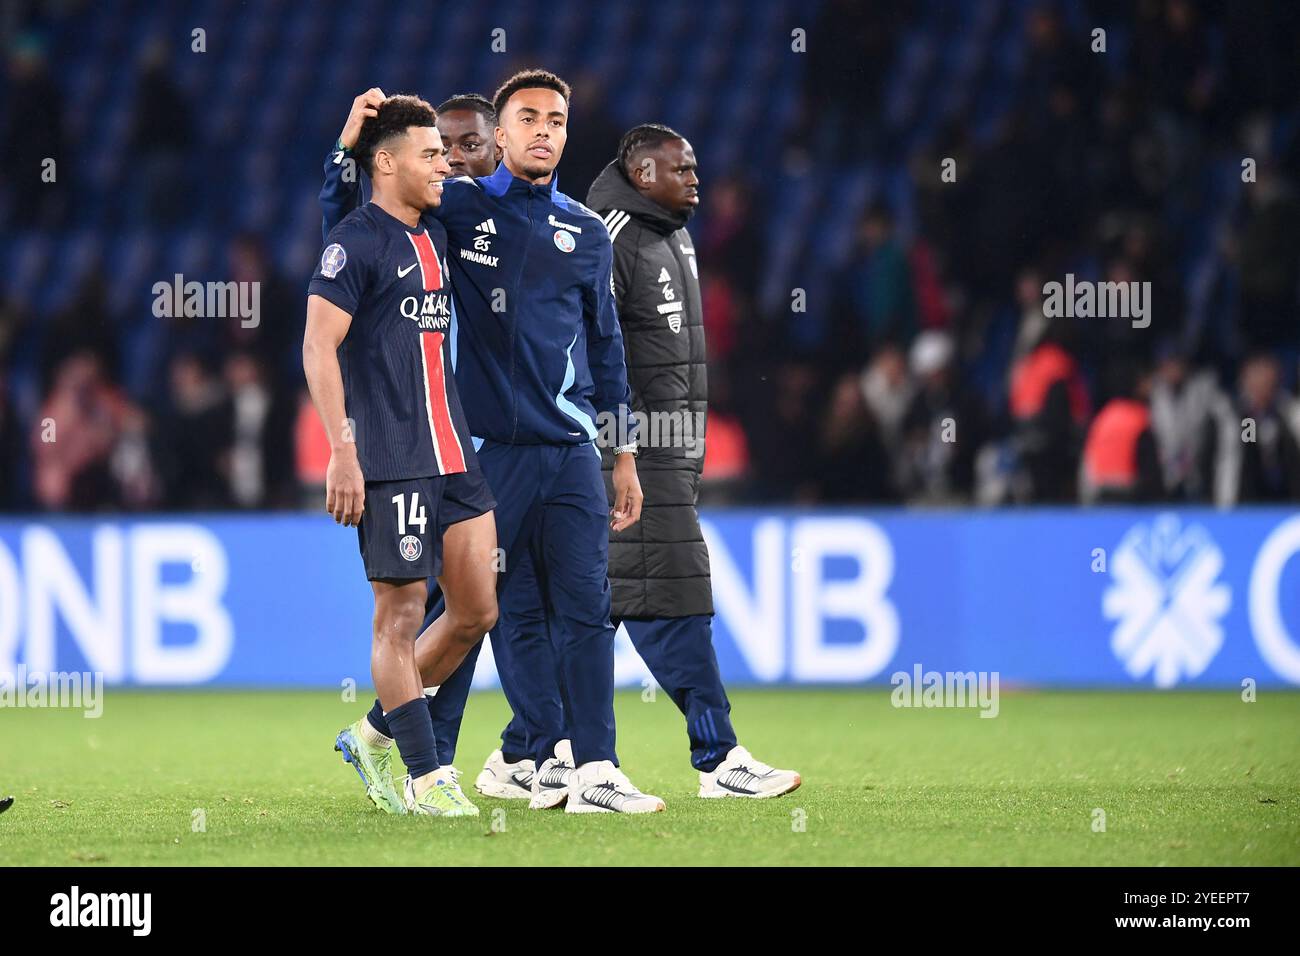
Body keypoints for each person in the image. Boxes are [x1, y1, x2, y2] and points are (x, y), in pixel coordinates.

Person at [323, 72, 665, 814]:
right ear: (500, 136)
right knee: (489, 611)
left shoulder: (584, 233)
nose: (544, 130)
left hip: (570, 448)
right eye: (528, 119)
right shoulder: (457, 206)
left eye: (557, 120)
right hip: (481, 448)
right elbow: (360, 226)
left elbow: (608, 352)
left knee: (584, 608)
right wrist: (347, 154)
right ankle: (495, 757)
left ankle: (595, 769)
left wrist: (625, 452)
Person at [584, 124, 800, 797]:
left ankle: (531, 754)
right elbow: (595, 349)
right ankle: (718, 758)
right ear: (644, 172)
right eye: (682, 168)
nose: (696, 178)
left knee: (592, 610)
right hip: (633, 455)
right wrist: (621, 447)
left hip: (669, 452)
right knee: (673, 595)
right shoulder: (613, 233)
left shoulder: (671, 230)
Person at [305, 95, 498, 818]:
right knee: (400, 618)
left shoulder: (437, 233)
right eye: (430, 154)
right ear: (384, 163)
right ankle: (425, 776)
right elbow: (317, 345)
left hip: (455, 455)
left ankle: (374, 733)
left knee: (476, 611)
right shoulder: (353, 243)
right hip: (390, 456)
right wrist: (342, 451)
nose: (444, 163)